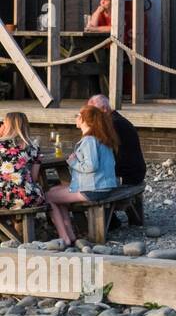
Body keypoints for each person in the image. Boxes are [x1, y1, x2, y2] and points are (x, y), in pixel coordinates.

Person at [43, 104, 118, 246]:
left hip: (94, 189)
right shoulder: (100, 138)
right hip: (103, 186)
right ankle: (71, 235)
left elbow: (91, 166)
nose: (76, 118)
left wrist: (73, 162)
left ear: (85, 120)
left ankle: (64, 237)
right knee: (54, 191)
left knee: (47, 197)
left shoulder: (89, 140)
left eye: (78, 115)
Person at [88, 94, 144, 187]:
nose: (91, 116)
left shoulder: (112, 124)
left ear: (104, 109)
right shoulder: (116, 120)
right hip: (135, 173)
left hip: (126, 176)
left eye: (94, 113)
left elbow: (104, 154)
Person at [0, 112, 44, 212]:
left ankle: (12, 226)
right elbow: (34, 177)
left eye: (3, 123)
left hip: (3, 198)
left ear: (8, 126)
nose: (1, 125)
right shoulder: (33, 147)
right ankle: (17, 226)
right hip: (28, 197)